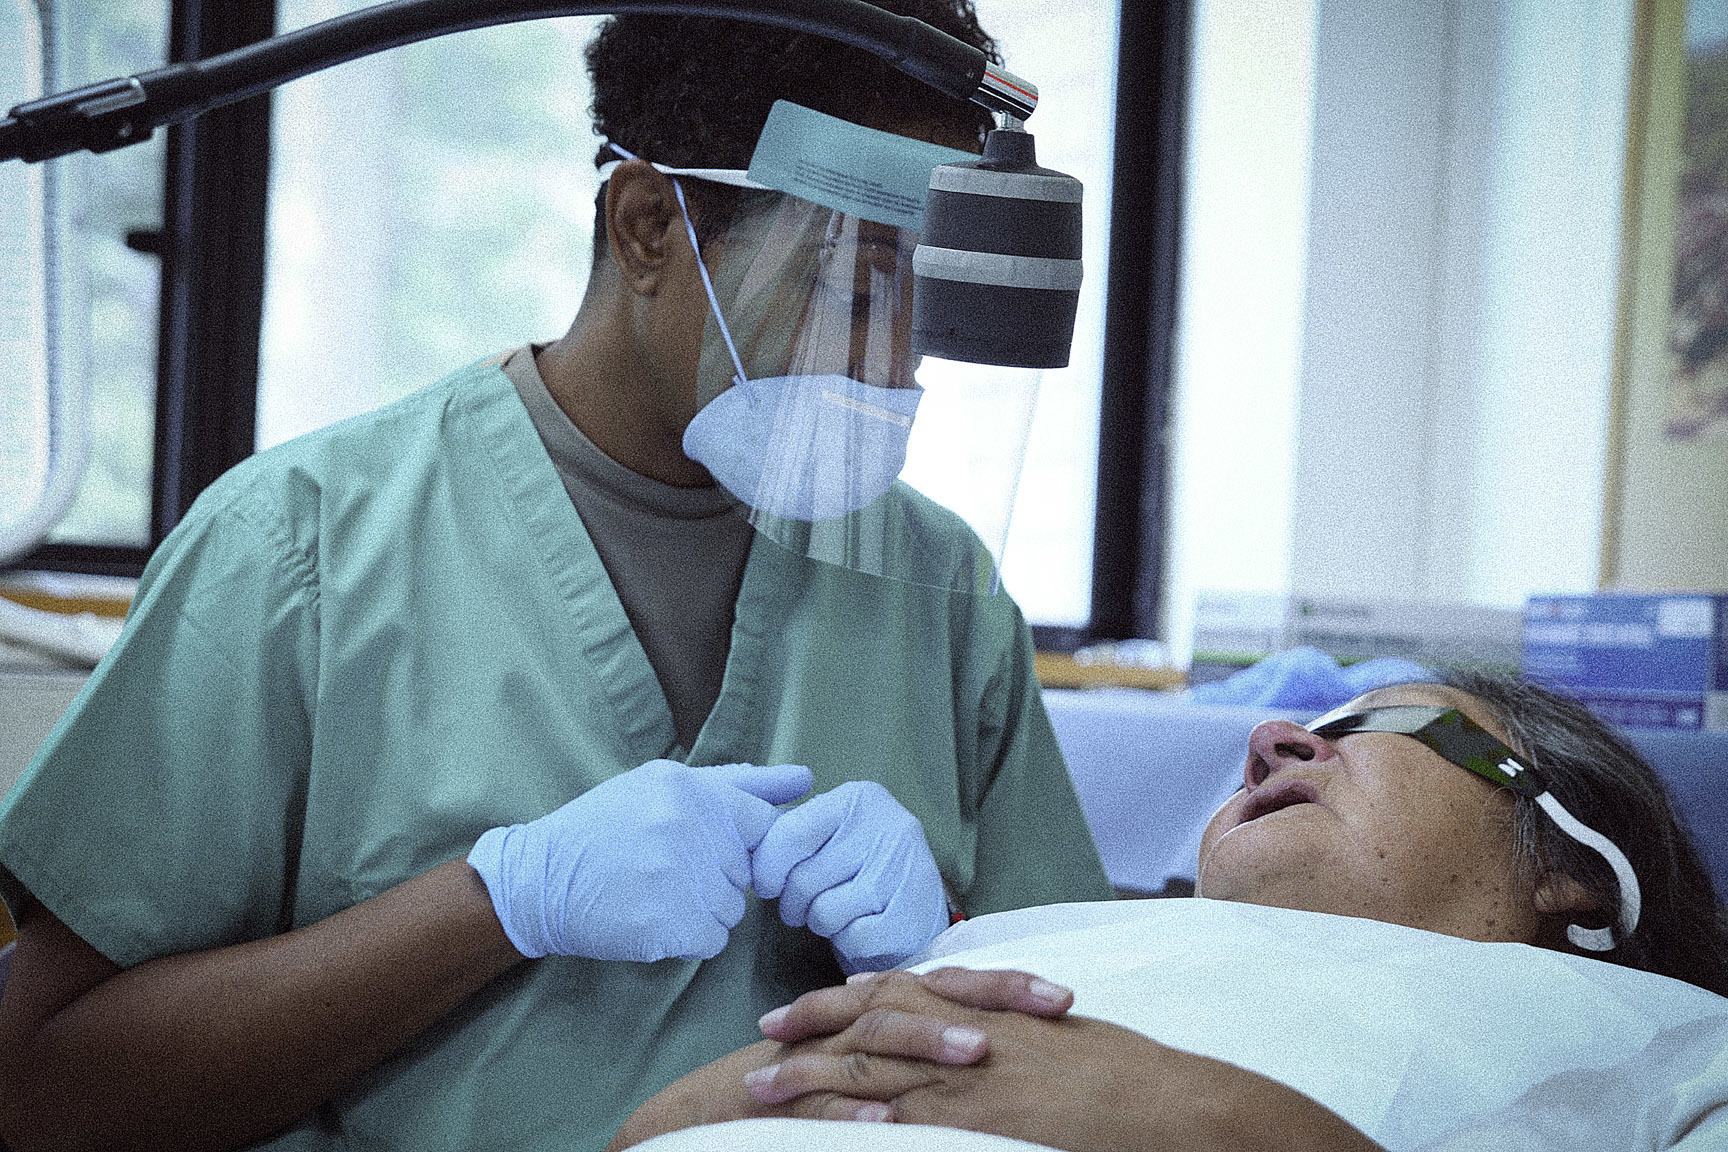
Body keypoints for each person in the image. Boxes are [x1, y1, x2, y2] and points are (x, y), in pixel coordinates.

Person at [0, 6, 1112, 1151]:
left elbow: (1103, 1048)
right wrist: (495, 904)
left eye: (922, 312)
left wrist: (946, 945)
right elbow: (46, 1092)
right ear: (646, 227)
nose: (891, 373)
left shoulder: (939, 591)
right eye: (859, 295)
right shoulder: (299, 555)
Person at [610, 673, 1728, 1151]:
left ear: (1577, 871)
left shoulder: (1676, 1054)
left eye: (1386, 723)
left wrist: (1170, 1108)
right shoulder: (1030, 957)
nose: (1275, 743)